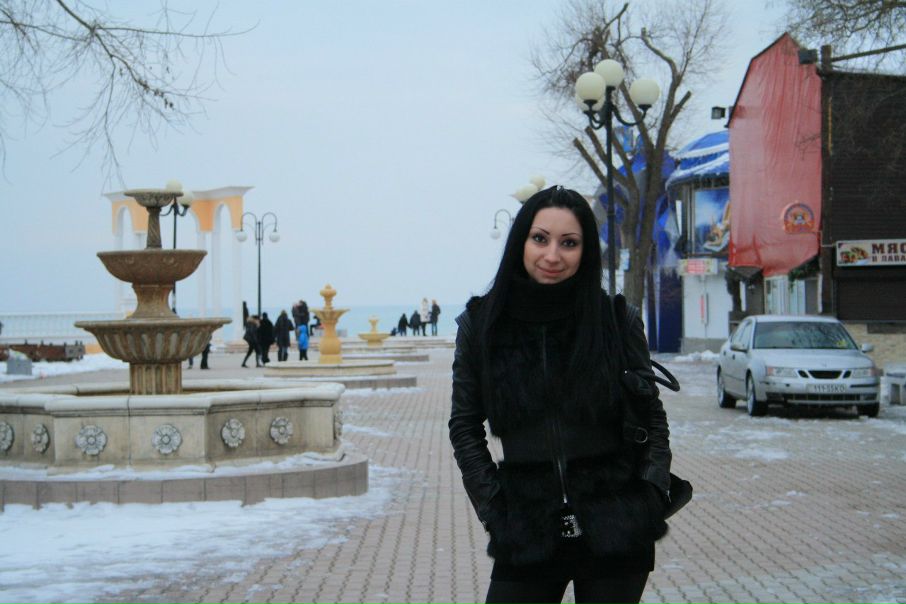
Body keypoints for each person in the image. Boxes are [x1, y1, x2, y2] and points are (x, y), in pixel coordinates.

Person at [448, 185, 672, 604]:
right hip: (526, 526)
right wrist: (494, 508)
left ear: (585, 251)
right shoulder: (482, 324)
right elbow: (464, 425)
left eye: (569, 243)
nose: (552, 255)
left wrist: (650, 493)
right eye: (540, 238)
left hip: (618, 526)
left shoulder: (614, 319)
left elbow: (652, 417)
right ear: (521, 241)